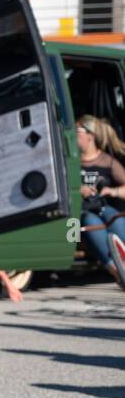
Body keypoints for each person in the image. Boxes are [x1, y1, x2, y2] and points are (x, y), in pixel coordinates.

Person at [76, 115, 125, 288]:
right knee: (91, 222)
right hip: (78, 213)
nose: (72, 134)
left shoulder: (107, 161)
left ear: (90, 136)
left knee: (115, 218)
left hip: (102, 206)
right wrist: (78, 189)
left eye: (77, 131)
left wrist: (113, 191)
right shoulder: (70, 162)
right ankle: (116, 271)